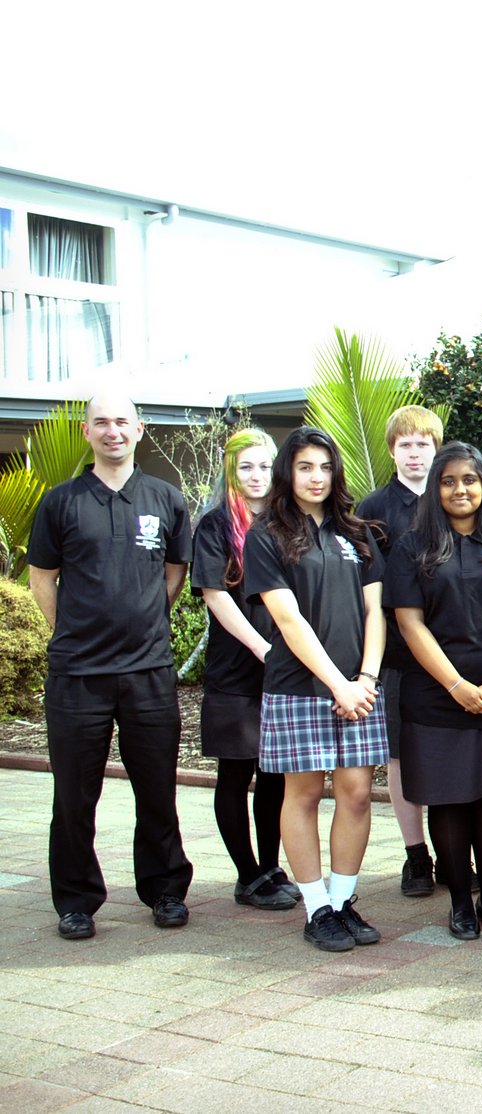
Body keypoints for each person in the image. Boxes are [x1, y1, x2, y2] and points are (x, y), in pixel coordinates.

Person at [29, 393, 194, 940]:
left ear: (140, 429)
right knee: (74, 795)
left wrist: (145, 620)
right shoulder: (61, 502)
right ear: (86, 432)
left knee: (157, 790)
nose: (112, 431)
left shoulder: (166, 499)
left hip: (148, 670)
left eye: (122, 421)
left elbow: (174, 571)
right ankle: (76, 901)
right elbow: (41, 580)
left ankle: (166, 890)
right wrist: (74, 631)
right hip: (77, 675)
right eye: (101, 422)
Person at [244, 427, 388, 952]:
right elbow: (288, 620)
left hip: (361, 687)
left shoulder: (358, 532)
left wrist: (366, 679)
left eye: (325, 467)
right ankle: (315, 908)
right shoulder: (267, 534)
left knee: (354, 792)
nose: (317, 477)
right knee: (302, 794)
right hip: (299, 687)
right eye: (306, 467)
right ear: (289, 472)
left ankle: (343, 900)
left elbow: (376, 611)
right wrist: (337, 685)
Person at [388, 442, 482, 940]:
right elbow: (409, 623)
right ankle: (458, 903)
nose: (460, 489)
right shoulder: (412, 548)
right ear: (435, 489)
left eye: (469, 480)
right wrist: (455, 684)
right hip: (435, 698)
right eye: (448, 481)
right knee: (450, 801)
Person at [191, 427, 298, 912]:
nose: (256, 476)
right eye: (245, 467)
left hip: (283, 671)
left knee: (274, 774)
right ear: (232, 472)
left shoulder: (287, 524)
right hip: (236, 673)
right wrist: (262, 648)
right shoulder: (215, 527)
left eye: (263, 466)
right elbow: (216, 596)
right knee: (235, 774)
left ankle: (271, 867)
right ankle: (246, 874)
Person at [356, 405, 441, 897]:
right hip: (394, 655)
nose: (415, 453)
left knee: (446, 749)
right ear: (392, 450)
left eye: (423, 444)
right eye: (405, 444)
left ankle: (454, 850)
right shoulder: (372, 510)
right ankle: (416, 854)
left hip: (452, 649)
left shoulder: (454, 496)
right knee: (400, 754)